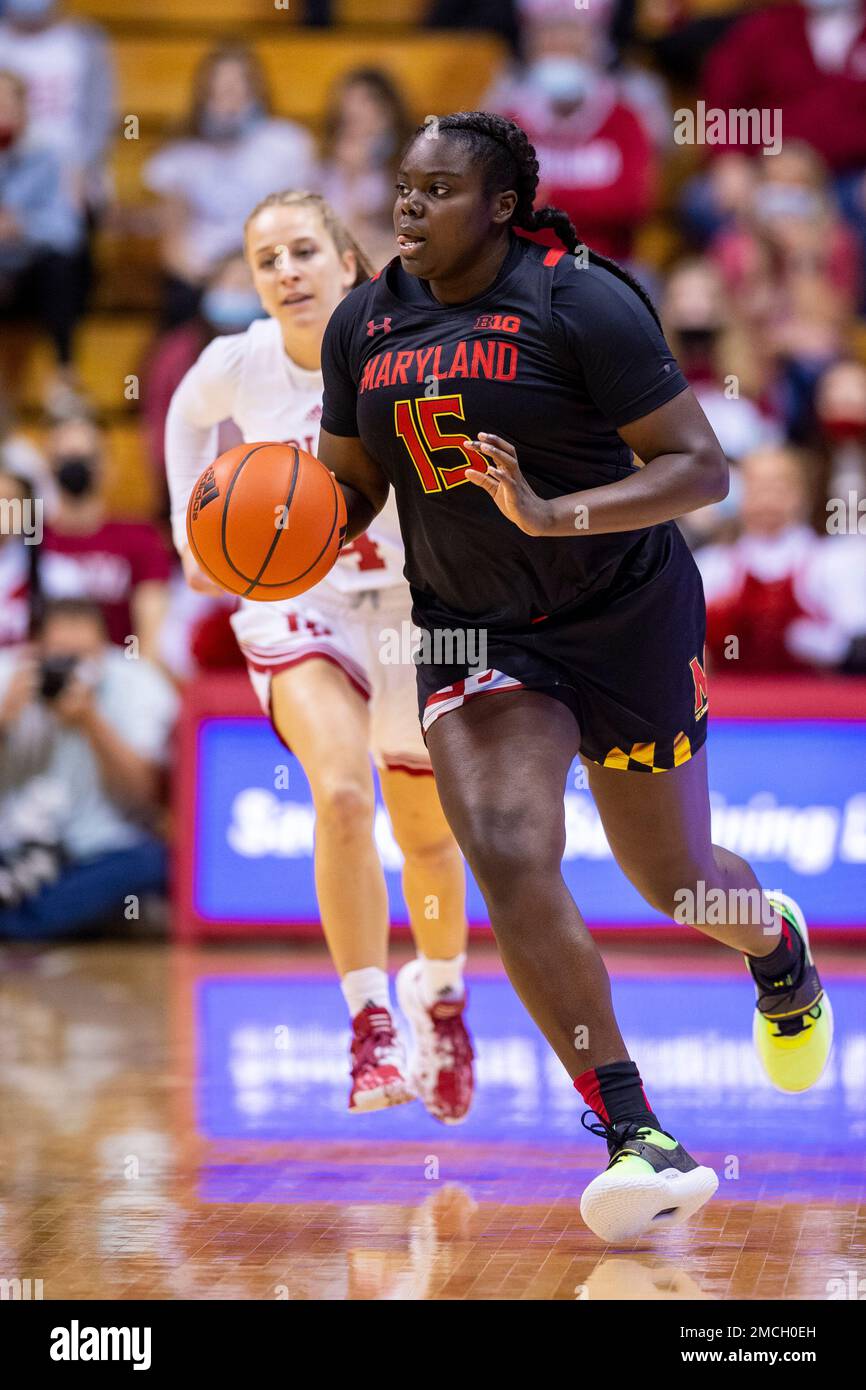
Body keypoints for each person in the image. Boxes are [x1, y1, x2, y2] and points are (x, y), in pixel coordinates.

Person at [315, 110, 834, 1242]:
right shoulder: (361, 323)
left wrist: (554, 512)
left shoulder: (578, 297)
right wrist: (290, 531)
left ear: (501, 206)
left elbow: (698, 467)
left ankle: (777, 948)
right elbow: (346, 487)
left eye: (438, 190)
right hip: (467, 629)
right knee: (504, 841)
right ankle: (632, 1129)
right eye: (402, 187)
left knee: (675, 876)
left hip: (624, 610)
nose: (408, 208)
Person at [165, 189, 473, 1123]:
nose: (288, 271)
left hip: (418, 605)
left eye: (305, 251)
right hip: (298, 595)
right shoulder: (237, 363)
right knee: (341, 790)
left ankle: (445, 997)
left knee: (426, 830)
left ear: (350, 263)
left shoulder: (414, 340)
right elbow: (185, 419)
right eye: (268, 261)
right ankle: (369, 1022)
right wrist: (195, 536)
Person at [0, 598, 176, 940]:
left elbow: (145, 798)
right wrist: (5, 721)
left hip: (96, 852)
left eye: (83, 656)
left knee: (154, 861)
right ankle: (38, 916)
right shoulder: (8, 677)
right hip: (14, 845)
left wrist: (91, 722)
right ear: (32, 652)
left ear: (105, 651)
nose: (70, 669)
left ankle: (23, 920)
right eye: (60, 656)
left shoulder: (138, 684)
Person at [142, 44, 318, 329]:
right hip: (201, 276)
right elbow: (173, 246)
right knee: (182, 305)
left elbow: (301, 228)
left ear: (256, 92)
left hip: (270, 271)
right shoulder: (179, 156)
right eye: (220, 92)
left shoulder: (288, 145)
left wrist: (254, 273)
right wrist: (217, 277)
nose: (229, 102)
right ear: (203, 97)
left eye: (237, 90)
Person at [697, 445, 866, 673]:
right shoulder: (713, 565)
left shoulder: (834, 562)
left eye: (779, 488)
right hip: (733, 704)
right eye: (757, 488)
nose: (767, 500)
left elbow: (856, 641)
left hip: (815, 704)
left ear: (803, 495)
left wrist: (824, 644)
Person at [37, 414, 172, 662]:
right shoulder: (30, 540)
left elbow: (151, 635)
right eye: (65, 459)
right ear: (48, 467)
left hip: (117, 672)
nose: (74, 468)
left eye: (85, 459)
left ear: (107, 467)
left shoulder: (140, 538)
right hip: (43, 674)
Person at [0, 68, 86, 380]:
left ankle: (64, 373)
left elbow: (68, 231)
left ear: (25, 111)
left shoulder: (49, 157)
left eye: (8, 106)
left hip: (28, 274)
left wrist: (23, 227)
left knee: (63, 266)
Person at [318, 68, 413, 273]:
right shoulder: (328, 169)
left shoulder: (411, 162)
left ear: (388, 111)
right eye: (349, 109)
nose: (357, 113)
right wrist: (351, 176)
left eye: (367, 104)